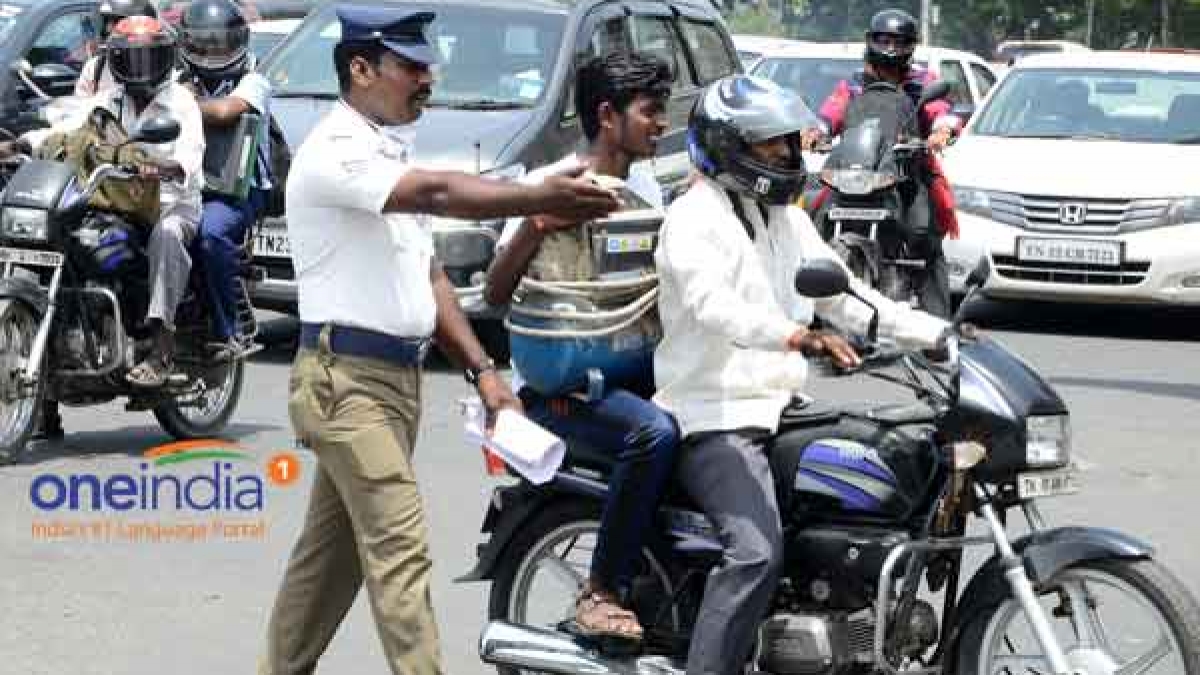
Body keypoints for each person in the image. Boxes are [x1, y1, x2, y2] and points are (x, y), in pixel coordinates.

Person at [255, 6, 619, 675]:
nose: (428, 77)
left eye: (428, 63)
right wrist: (536, 193)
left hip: (389, 382)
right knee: (401, 548)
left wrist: (483, 371)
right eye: (412, 66)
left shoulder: (385, 148)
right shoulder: (337, 150)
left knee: (328, 564)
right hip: (346, 381)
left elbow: (429, 274)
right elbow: (443, 193)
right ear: (361, 69)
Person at [655, 74, 948, 675]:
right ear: (730, 146)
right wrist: (795, 335)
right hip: (715, 415)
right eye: (771, 146)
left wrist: (933, 332)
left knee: (886, 466)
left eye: (789, 143)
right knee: (756, 555)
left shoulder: (783, 218)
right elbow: (715, 307)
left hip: (781, 406)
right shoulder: (692, 218)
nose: (788, 156)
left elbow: (846, 295)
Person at [484, 51, 679, 643]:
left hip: (637, 363)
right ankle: (602, 591)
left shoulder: (651, 185)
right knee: (654, 435)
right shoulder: (549, 184)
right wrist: (537, 221)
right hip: (569, 384)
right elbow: (494, 292)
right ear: (606, 115)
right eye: (650, 111)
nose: (662, 123)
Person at [0, 16, 205, 435]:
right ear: (116, 60)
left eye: (149, 58)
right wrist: (21, 144)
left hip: (169, 205)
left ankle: (162, 344)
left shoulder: (180, 102)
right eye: (131, 58)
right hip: (113, 201)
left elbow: (188, 158)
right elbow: (67, 130)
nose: (141, 68)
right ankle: (46, 398)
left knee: (168, 236)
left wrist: (163, 166)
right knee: (62, 242)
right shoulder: (107, 99)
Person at [803, 8, 959, 318]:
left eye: (897, 41)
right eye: (883, 39)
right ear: (871, 41)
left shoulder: (922, 81)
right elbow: (829, 114)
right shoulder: (853, 85)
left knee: (924, 235)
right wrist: (814, 132)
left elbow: (943, 111)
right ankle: (803, 306)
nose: (889, 47)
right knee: (810, 217)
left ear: (910, 45)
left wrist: (942, 130)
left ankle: (940, 330)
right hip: (856, 171)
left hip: (905, 173)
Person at [178, 0, 273, 359]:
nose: (212, 51)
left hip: (236, 193)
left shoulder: (254, 79)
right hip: (183, 183)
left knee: (210, 233)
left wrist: (181, 102)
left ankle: (227, 330)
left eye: (220, 42)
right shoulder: (180, 78)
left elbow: (224, 111)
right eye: (203, 43)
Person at [75, 0, 159, 97]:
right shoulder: (94, 67)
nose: (108, 29)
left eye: (117, 21)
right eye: (107, 21)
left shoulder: (161, 68)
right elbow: (82, 106)